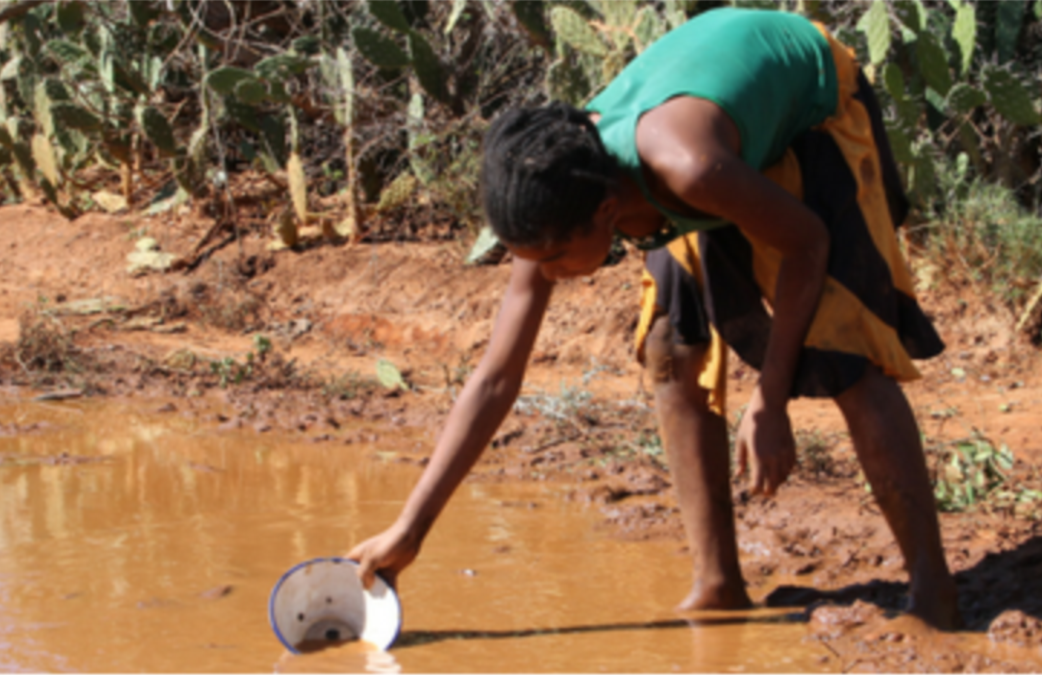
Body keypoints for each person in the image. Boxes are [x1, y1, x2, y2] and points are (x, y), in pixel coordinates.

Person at [346, 7, 961, 629]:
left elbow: (808, 244)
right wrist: (410, 529)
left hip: (808, 103)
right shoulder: (554, 188)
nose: (547, 273)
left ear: (608, 210)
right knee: (670, 342)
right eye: (534, 260)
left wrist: (769, 399)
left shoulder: (687, 167)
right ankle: (717, 584)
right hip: (704, 147)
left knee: (846, 352)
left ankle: (935, 596)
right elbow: (496, 379)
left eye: (557, 257)